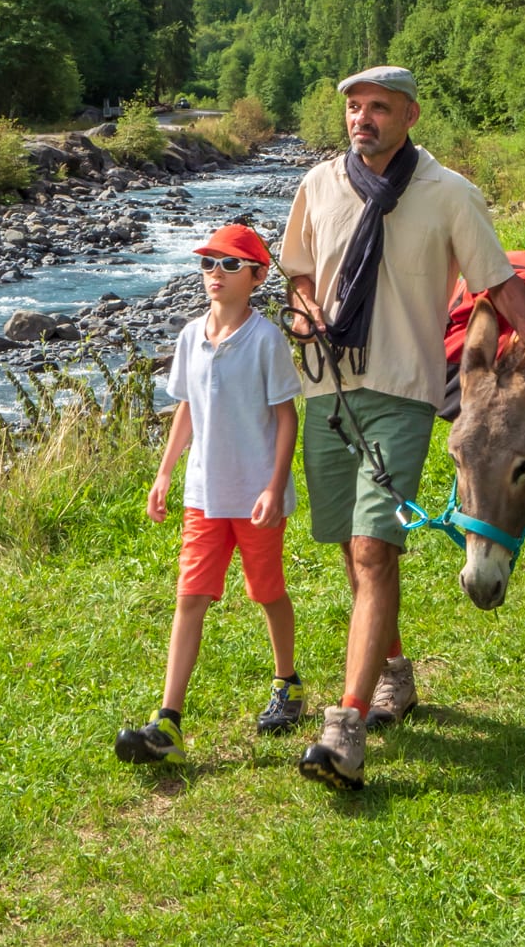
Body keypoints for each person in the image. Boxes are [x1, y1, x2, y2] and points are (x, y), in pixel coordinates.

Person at [282, 64, 525, 790]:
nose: (362, 119)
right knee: (348, 544)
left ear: (410, 115)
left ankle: (347, 724)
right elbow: (297, 270)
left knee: (372, 549)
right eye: (354, 108)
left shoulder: (448, 192)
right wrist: (303, 307)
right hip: (326, 385)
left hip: (401, 388)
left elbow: (496, 281)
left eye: (378, 108)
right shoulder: (318, 186)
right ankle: (394, 671)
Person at [115, 222, 304, 764]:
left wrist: (274, 485)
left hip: (254, 497)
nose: (214, 274)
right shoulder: (189, 336)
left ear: (257, 277)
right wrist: (165, 473)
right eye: (207, 263)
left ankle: (287, 682)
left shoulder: (266, 340)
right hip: (203, 493)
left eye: (228, 265)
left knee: (267, 592)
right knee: (190, 597)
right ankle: (167, 722)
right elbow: (187, 408)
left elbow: (286, 419)